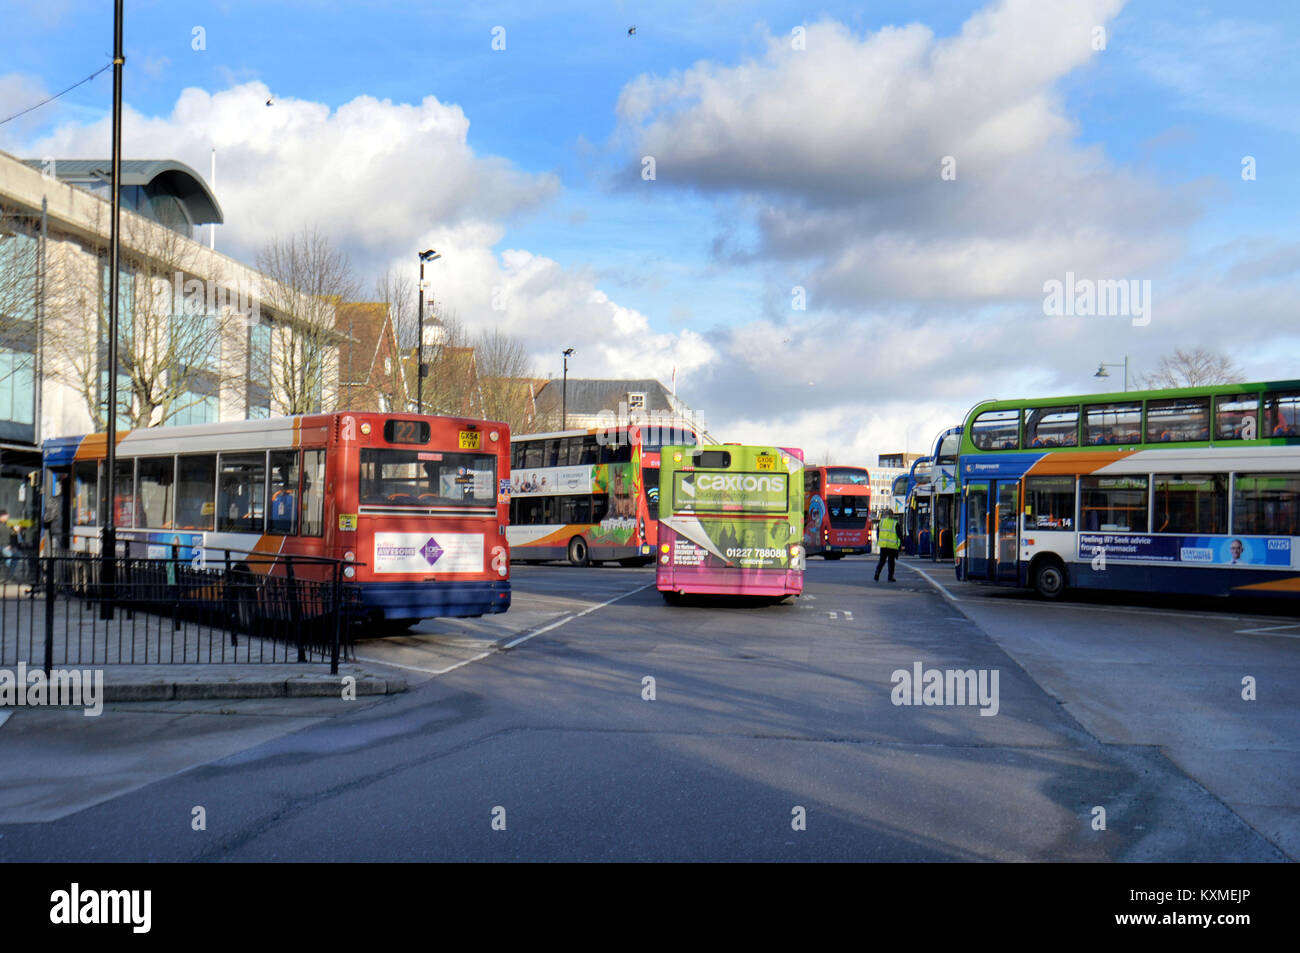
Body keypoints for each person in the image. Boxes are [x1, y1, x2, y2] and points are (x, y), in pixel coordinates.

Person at [874, 511, 901, 583]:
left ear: (886, 515)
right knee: (891, 562)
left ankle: (877, 574)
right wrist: (901, 544)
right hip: (892, 546)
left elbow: (878, 533)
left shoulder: (881, 522)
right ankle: (890, 577)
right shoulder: (895, 523)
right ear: (892, 515)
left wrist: (879, 540)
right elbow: (899, 535)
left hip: (883, 545)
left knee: (882, 561)